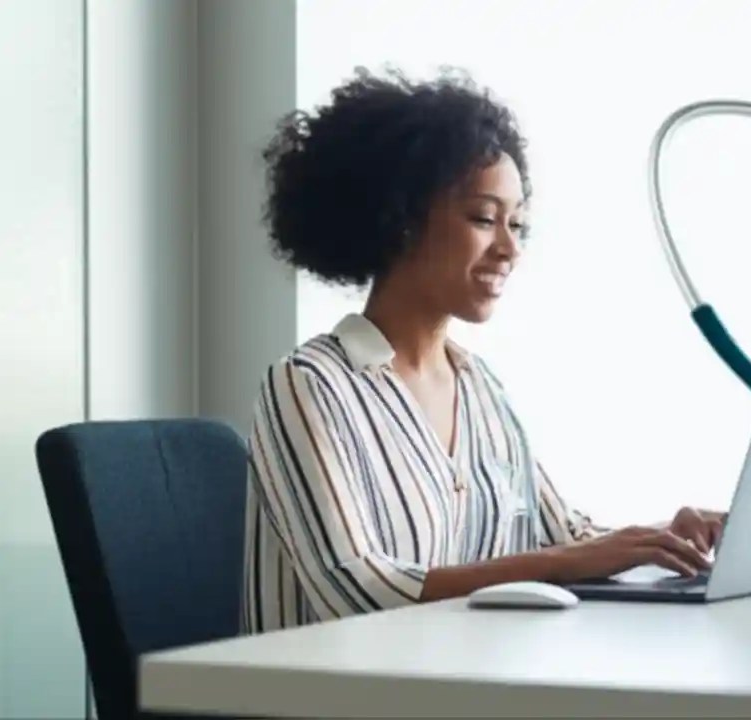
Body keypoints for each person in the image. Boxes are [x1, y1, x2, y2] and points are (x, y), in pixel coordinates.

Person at [241, 67, 724, 634]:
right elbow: (359, 592)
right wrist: (564, 563)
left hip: (459, 687)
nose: (510, 248)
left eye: (517, 224)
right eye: (484, 219)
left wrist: (666, 536)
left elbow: (566, 536)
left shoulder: (479, 388)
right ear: (397, 218)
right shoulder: (310, 385)